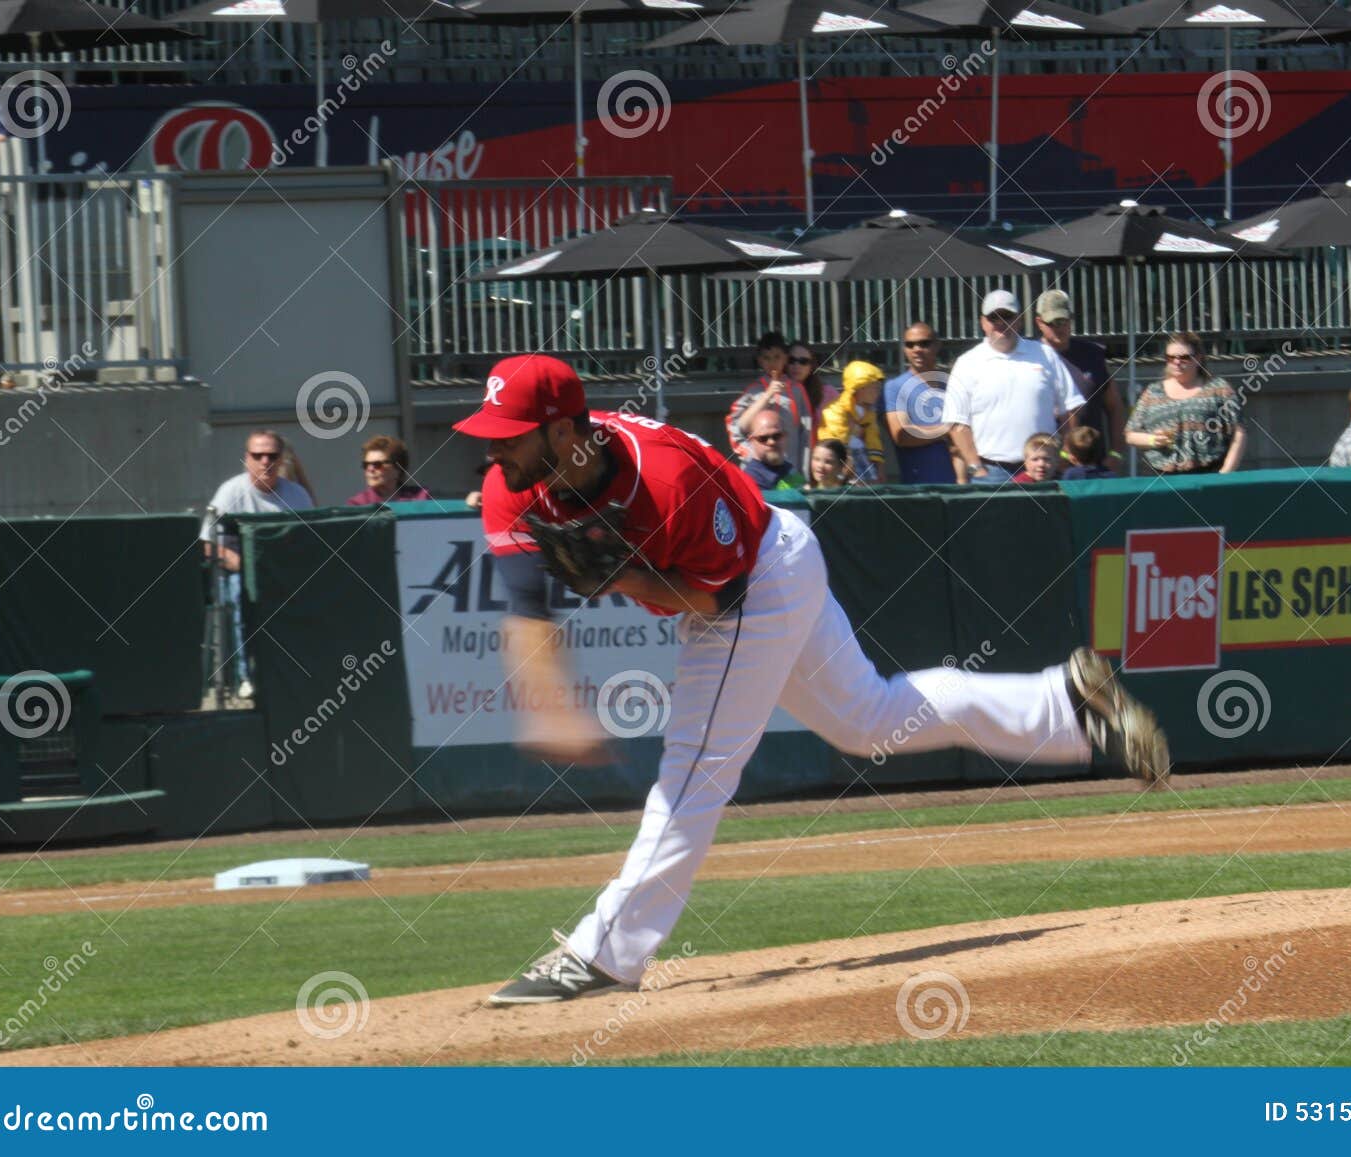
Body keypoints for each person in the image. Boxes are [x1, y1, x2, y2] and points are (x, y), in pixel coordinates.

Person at [455, 354, 1169, 1005]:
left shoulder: (667, 476)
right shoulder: (510, 485)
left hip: (760, 574)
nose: (493, 447)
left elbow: (718, 600)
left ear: (561, 431)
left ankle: (604, 952)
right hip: (749, 569)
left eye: (511, 433)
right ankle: (1064, 704)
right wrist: (548, 703)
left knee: (697, 766)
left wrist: (627, 577)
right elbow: (526, 606)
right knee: (872, 720)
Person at [200, 430, 314, 699]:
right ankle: (245, 677)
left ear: (281, 459)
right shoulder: (230, 492)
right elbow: (207, 543)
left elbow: (311, 542)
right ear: (246, 459)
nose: (265, 461)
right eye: (258, 455)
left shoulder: (297, 496)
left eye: (272, 455)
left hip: (286, 573)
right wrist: (240, 563)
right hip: (240, 575)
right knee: (239, 595)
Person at [943, 289, 1084, 483]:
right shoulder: (967, 363)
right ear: (983, 322)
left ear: (1019, 320)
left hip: (1042, 470)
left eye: (1007, 317)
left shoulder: (1046, 355)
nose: (1001, 324)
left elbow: (1071, 407)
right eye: (994, 318)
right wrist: (976, 467)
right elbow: (957, 422)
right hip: (991, 473)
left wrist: (1064, 456)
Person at [1125, 332, 1246, 475]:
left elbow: (1239, 432)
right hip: (1162, 476)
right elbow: (1131, 434)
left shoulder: (1219, 389)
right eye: (1170, 358)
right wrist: (1153, 439)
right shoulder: (1153, 392)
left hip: (1208, 472)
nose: (1177, 362)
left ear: (1198, 358)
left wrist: (1226, 473)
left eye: (1184, 358)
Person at [1035, 290, 1125, 460]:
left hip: (1092, 462)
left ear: (1071, 319)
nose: (1059, 327)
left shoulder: (1093, 354)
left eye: (1063, 320)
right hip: (1045, 464)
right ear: (1039, 322)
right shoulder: (1029, 358)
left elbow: (1115, 407)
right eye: (1052, 323)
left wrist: (1116, 454)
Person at [883, 322, 959, 484]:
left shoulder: (952, 386)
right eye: (910, 345)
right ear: (904, 349)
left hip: (957, 484)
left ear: (937, 345)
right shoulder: (895, 387)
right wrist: (946, 430)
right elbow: (902, 436)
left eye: (924, 343)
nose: (917, 349)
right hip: (918, 488)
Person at [726, 331, 813, 468]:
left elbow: (806, 433)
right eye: (767, 358)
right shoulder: (752, 391)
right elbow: (737, 427)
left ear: (785, 358)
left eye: (777, 357)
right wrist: (750, 456)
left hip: (790, 469)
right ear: (760, 360)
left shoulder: (797, 390)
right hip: (759, 469)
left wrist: (805, 471)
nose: (772, 362)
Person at [817, 360, 886, 482]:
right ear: (860, 388)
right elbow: (837, 441)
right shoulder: (836, 409)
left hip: (861, 456)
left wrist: (879, 467)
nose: (878, 392)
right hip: (838, 460)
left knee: (871, 484)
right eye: (874, 388)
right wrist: (845, 470)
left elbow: (873, 440)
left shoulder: (869, 412)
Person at [346, 435, 432, 505]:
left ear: (398, 468)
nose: (370, 469)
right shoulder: (358, 505)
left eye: (377, 465)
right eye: (366, 465)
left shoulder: (420, 497)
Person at [740, 406, 807, 491]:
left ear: (785, 436)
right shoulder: (750, 479)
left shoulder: (789, 469)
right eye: (763, 438)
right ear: (751, 441)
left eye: (777, 436)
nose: (771, 442)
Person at [787, 341, 835, 425]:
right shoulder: (777, 392)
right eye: (791, 360)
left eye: (803, 361)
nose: (797, 365)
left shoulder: (828, 393)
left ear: (811, 366)